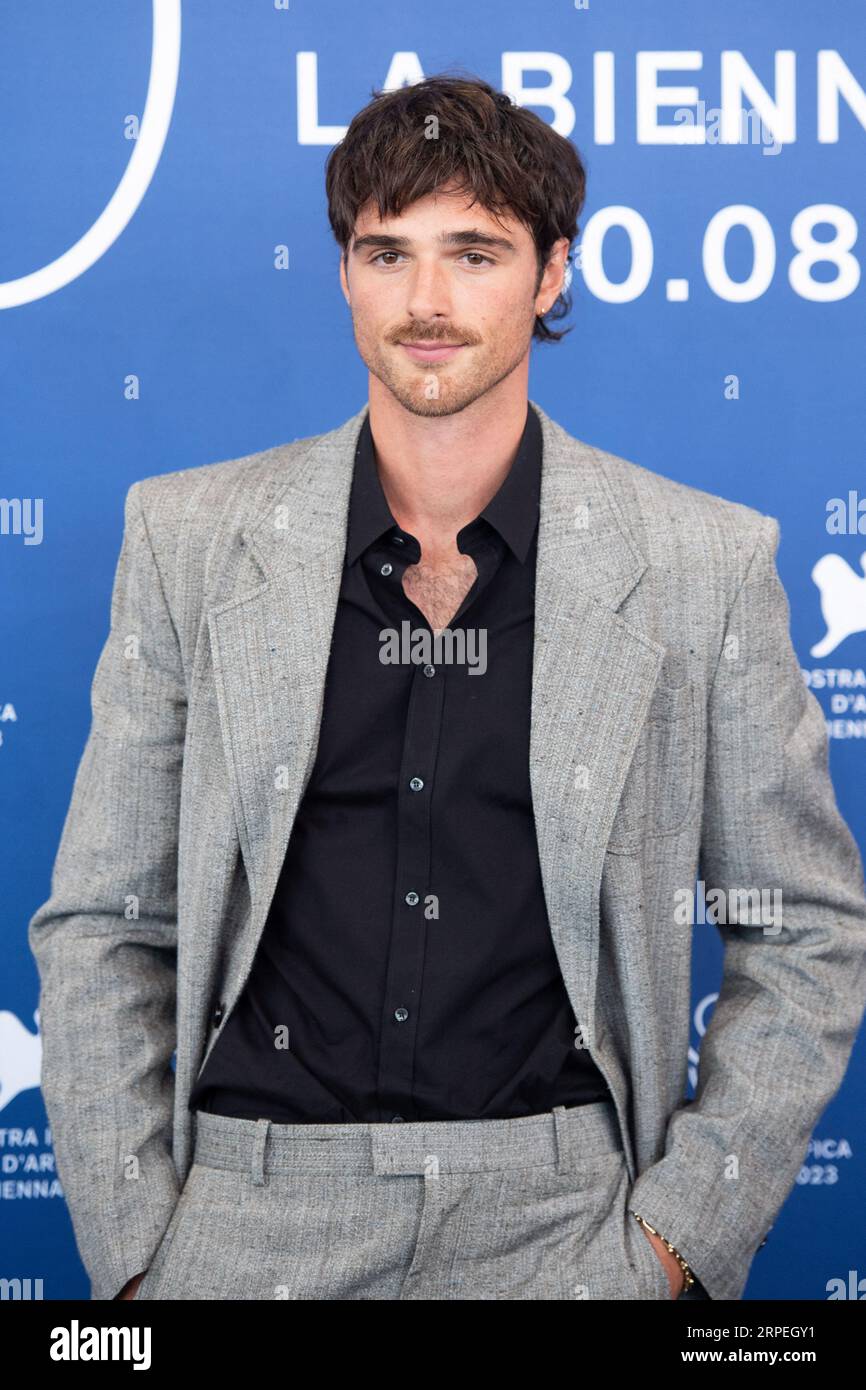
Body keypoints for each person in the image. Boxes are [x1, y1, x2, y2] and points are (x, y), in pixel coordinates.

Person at [29, 74, 866, 1302]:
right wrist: (139, 1256)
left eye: (473, 252)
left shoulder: (702, 563)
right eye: (387, 252)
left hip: (569, 1225)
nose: (425, 301)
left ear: (550, 273)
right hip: (244, 1221)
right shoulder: (188, 539)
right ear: (344, 274)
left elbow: (803, 929)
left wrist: (678, 1245)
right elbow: (103, 921)